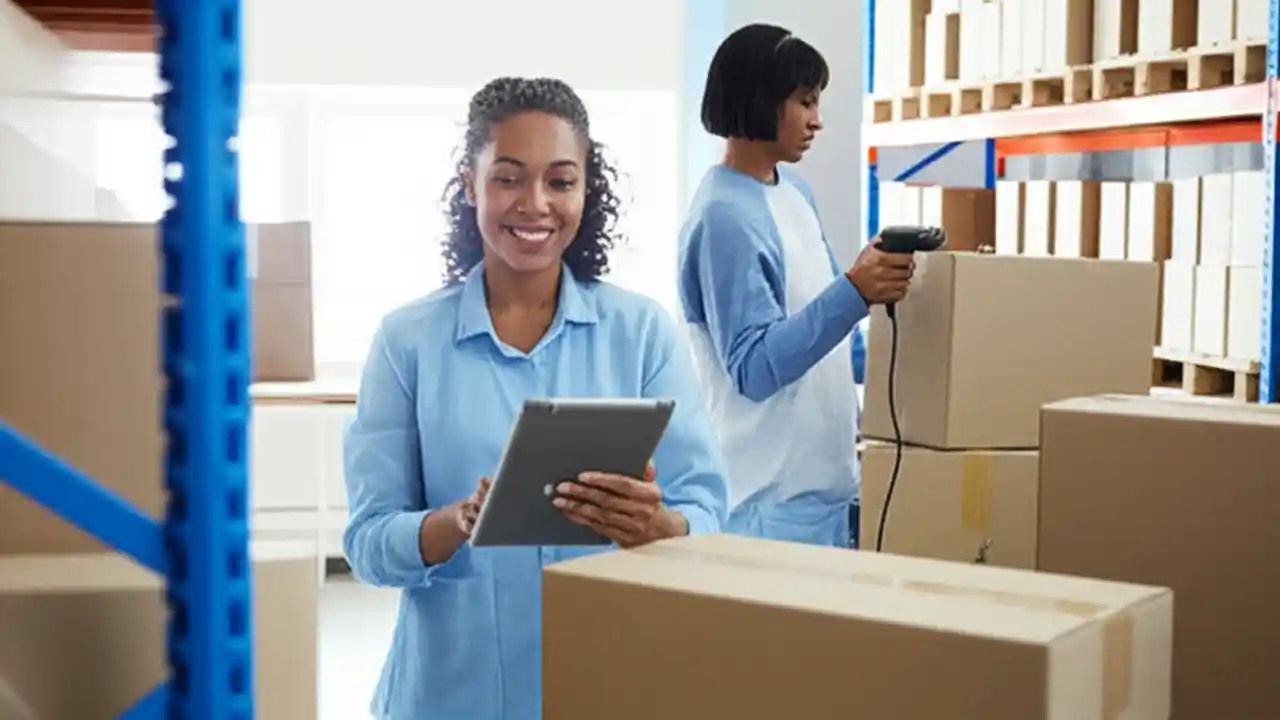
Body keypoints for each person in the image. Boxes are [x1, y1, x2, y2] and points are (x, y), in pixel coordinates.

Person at [343, 76, 729, 719]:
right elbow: (368, 542)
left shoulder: (640, 333)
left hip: (604, 688)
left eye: (560, 180)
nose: (535, 204)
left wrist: (656, 526)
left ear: (586, 190)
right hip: (448, 698)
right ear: (471, 184)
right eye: (508, 177)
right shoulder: (406, 340)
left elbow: (709, 513)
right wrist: (455, 524)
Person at [677, 23, 914, 548]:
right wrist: (854, 291)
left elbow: (833, 344)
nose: (817, 120)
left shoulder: (793, 193)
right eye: (805, 102)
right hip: (767, 509)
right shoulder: (725, 217)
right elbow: (755, 369)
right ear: (762, 101)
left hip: (826, 499)